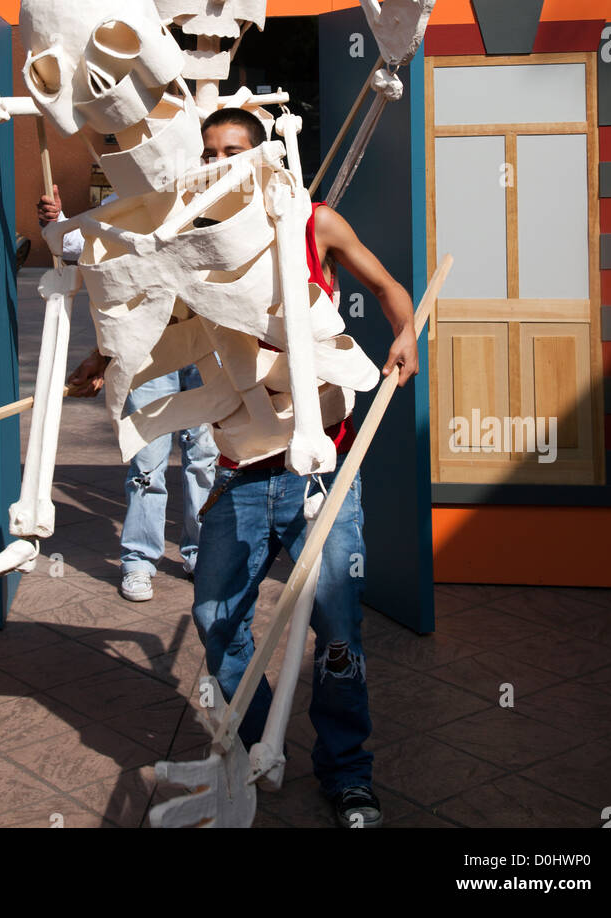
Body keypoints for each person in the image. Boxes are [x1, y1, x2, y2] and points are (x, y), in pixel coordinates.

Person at [193, 107, 418, 829]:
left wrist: (406, 335)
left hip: (319, 470)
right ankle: (258, 742)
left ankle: (348, 774)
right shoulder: (198, 237)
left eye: (233, 150)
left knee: (338, 628)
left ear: (264, 159)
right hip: (237, 469)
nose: (220, 162)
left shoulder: (315, 223)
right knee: (215, 619)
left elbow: (389, 289)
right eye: (209, 152)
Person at [37, 185, 218, 603]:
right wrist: (55, 220)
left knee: (205, 457)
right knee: (146, 460)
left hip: (211, 346)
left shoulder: (217, 191)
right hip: (150, 350)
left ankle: (202, 553)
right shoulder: (123, 202)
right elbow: (75, 242)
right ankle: (139, 560)